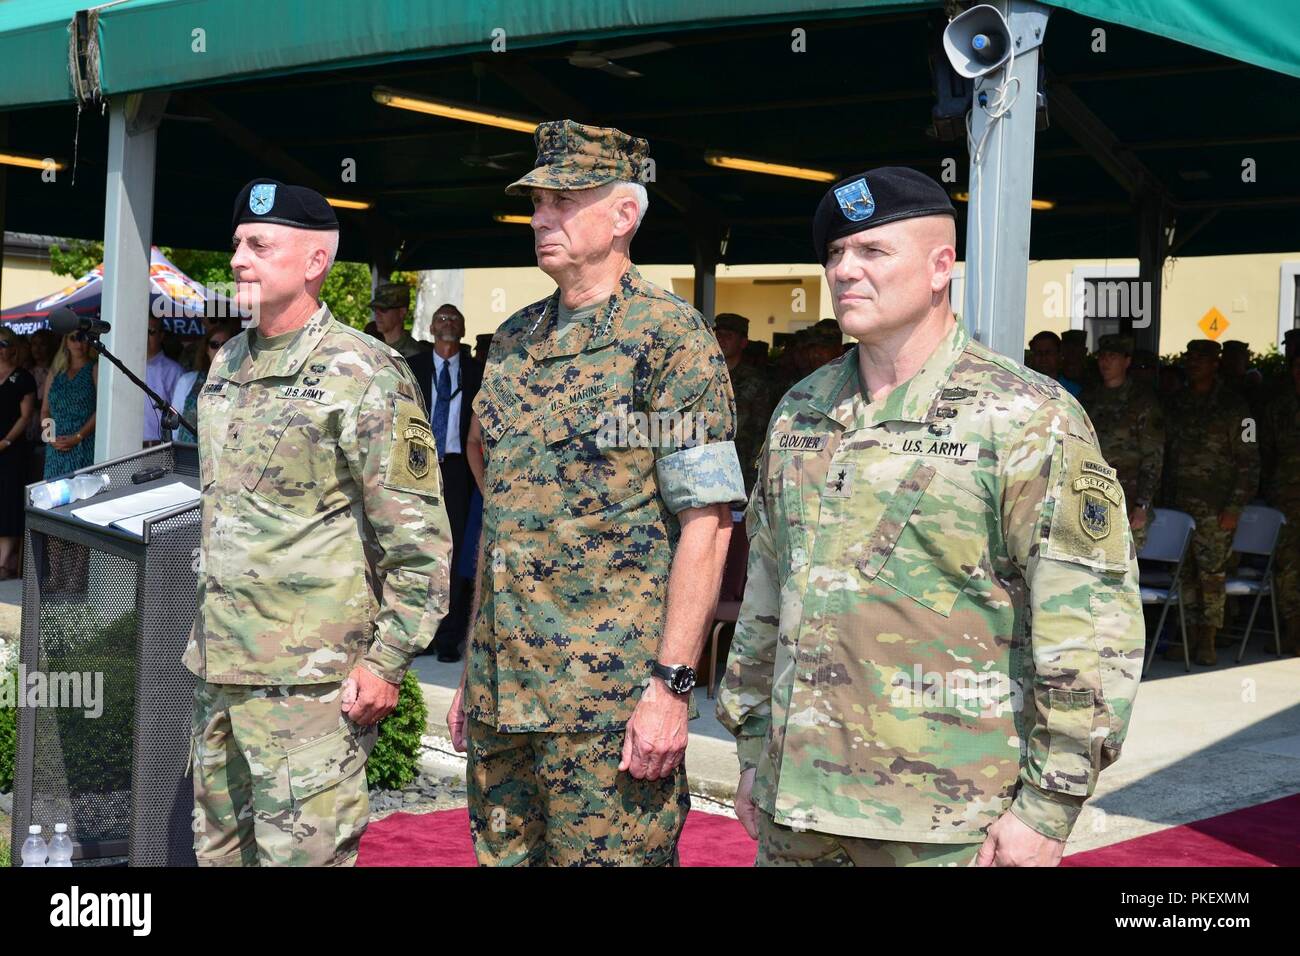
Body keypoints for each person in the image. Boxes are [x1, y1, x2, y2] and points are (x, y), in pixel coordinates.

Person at [718, 167, 1144, 867]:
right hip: (797, 806)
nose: (844, 271)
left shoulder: (1024, 417)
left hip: (945, 823)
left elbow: (1089, 624)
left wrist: (1050, 804)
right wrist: (751, 742)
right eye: (834, 255)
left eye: (872, 252)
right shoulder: (802, 410)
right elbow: (769, 583)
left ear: (941, 266)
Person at [446, 120, 743, 866]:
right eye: (538, 203)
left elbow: (707, 524)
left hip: (606, 705)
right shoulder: (513, 342)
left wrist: (674, 687)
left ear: (623, 215)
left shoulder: (669, 340)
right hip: (501, 694)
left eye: (565, 200)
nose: (543, 217)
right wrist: (469, 672)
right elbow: (502, 514)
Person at [185, 178, 453, 867]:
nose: (239, 259)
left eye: (259, 245)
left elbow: (417, 540)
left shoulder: (363, 370)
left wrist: (389, 660)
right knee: (217, 858)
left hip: (309, 685)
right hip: (222, 671)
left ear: (314, 262)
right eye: (238, 242)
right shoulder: (227, 363)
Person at [1160, 339, 1259, 666]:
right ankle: (1186, 635)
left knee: (1212, 575)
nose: (1193, 364)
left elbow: (1250, 463)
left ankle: (1208, 638)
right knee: (1184, 574)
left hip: (1216, 509)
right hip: (1181, 505)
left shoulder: (1236, 407)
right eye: (1190, 358)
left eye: (1201, 359)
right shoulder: (1178, 402)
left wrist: (1235, 507)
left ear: (1215, 363)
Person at [406, 304, 482, 662]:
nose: (448, 323)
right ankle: (420, 635)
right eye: (442, 318)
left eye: (455, 318)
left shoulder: (476, 372)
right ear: (432, 327)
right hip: (418, 466)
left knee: (454, 551)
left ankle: (450, 636)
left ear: (463, 328)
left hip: (457, 469)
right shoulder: (415, 368)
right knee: (418, 546)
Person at [1081, 334, 1164, 551]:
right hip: (1090, 494)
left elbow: (1153, 457)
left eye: (1113, 356)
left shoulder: (1142, 402)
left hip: (1128, 498)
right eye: (1102, 356)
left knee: (1123, 571)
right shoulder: (1089, 397)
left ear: (1127, 362)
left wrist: (1142, 504)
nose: (1105, 361)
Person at [1259, 350, 1300, 654]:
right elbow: (1266, 453)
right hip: (1286, 498)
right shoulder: (1278, 407)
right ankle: (1292, 628)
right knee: (1287, 566)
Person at [714, 313, 774, 494]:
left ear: (743, 343)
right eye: (719, 335)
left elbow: (760, 433)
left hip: (741, 470)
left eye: (728, 336)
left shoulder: (755, 381)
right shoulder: (704, 376)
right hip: (710, 467)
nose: (721, 340)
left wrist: (752, 477)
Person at [0, 328, 38, 578]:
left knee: (8, 502)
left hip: (11, 450)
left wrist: (5, 441)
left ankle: (4, 562)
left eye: (3, 343)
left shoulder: (23, 378)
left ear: (13, 348)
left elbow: (26, 416)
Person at [41, 329, 98, 479]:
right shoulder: (55, 372)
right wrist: (49, 436)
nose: (79, 343)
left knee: (82, 494)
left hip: (84, 443)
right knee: (54, 495)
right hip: (56, 446)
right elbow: (45, 411)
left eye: (83, 338)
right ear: (65, 342)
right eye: (74, 338)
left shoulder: (95, 368)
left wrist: (78, 436)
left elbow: (102, 411)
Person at [170, 322, 237, 444]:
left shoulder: (242, 383)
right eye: (214, 345)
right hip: (188, 456)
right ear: (206, 349)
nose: (220, 350)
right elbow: (175, 424)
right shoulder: (187, 381)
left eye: (226, 345)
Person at [144, 315, 183, 447]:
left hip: (158, 446)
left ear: (161, 336)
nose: (145, 336)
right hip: (124, 445)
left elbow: (178, 414)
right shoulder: (126, 366)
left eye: (150, 331)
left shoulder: (173, 370)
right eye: (141, 330)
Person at [368, 282, 426, 358]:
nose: (377, 314)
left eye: (383, 309)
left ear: (402, 311)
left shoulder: (416, 354)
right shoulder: (373, 349)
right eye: (375, 309)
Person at [1028, 330, 1082, 397]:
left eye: (1048, 352)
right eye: (1038, 353)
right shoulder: (1025, 385)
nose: (1043, 358)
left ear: (1059, 355)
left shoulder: (1073, 390)